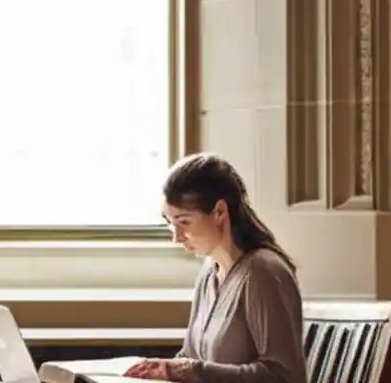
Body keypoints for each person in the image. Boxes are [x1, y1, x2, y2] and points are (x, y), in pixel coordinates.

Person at [124, 153, 307, 383]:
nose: (177, 237)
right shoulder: (209, 271)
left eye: (185, 222)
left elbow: (283, 377)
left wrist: (185, 370)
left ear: (219, 212)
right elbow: (189, 358)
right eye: (171, 224)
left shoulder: (263, 273)